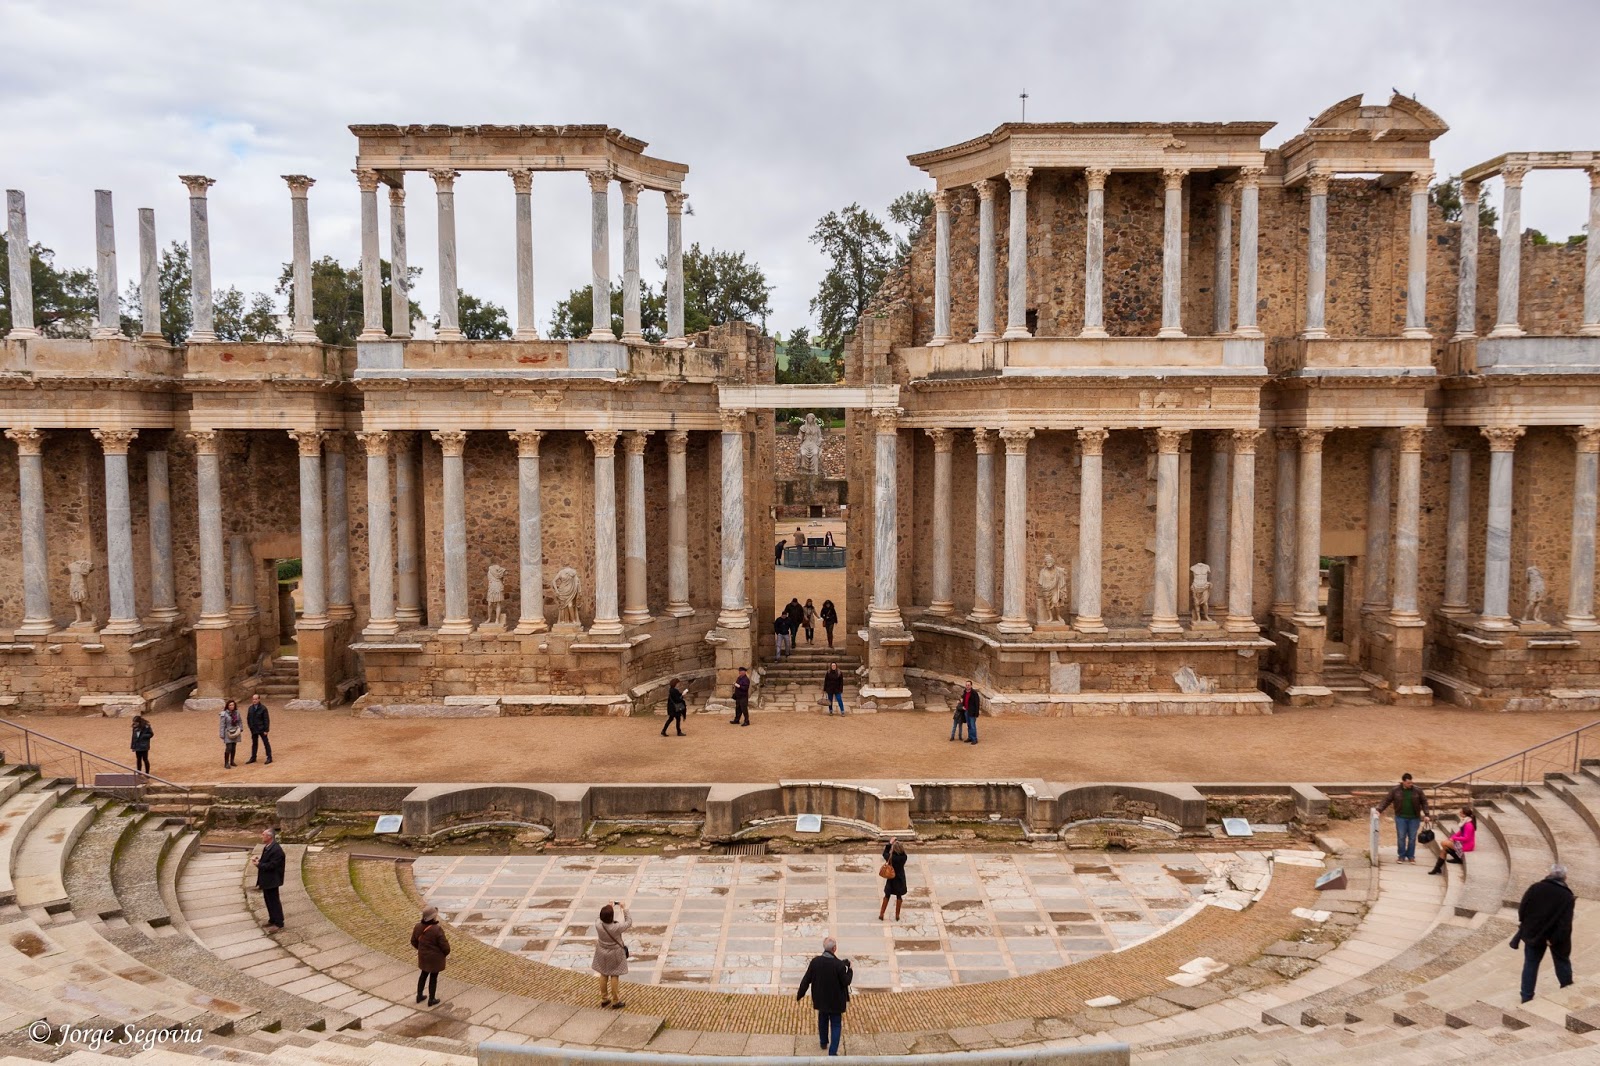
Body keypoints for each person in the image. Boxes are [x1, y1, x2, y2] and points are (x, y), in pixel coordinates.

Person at [1515, 863, 1575, 1003]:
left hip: (1533, 934)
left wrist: (1528, 927)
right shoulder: (1566, 896)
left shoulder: (1535, 888)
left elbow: (1522, 909)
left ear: (1549, 874)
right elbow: (1565, 923)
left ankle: (1526, 995)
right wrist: (1553, 939)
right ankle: (1567, 989)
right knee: (1562, 962)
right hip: (1556, 937)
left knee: (1531, 964)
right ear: (1565, 878)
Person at [796, 936, 852, 1056]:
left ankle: (823, 1042)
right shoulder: (839, 965)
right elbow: (846, 981)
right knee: (836, 1025)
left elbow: (806, 979)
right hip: (836, 1002)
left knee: (822, 1020)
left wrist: (800, 994)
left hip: (821, 1000)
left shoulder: (815, 962)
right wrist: (849, 970)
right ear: (835, 948)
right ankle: (832, 1052)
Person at [1374, 772, 1429, 864]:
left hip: (1414, 818)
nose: (1410, 784)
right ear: (1403, 782)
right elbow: (1387, 800)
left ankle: (1411, 856)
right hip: (1401, 818)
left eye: (1411, 782)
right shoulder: (1395, 790)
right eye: (1408, 783)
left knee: (1412, 838)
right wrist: (1379, 810)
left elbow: (1424, 802)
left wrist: (1426, 814)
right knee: (1401, 837)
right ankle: (1401, 856)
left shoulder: (1418, 790)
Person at [591, 902, 632, 1009]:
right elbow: (628, 922)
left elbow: (599, 917)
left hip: (601, 951)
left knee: (603, 974)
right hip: (615, 953)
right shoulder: (616, 927)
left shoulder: (598, 924)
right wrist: (624, 908)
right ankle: (615, 1001)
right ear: (611, 917)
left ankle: (604, 999)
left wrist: (609, 906)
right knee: (614, 975)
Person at [411, 904, 450, 1006]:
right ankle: (431, 999)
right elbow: (445, 946)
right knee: (433, 978)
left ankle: (419, 996)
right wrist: (444, 954)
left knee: (423, 975)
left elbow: (413, 941)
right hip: (435, 959)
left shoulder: (418, 926)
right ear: (433, 917)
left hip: (423, 957)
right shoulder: (437, 929)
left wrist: (421, 949)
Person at [252, 828, 285, 932]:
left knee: (274, 901)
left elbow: (273, 865)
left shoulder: (276, 850)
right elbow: (267, 861)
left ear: (269, 837)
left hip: (273, 879)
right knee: (268, 900)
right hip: (267, 879)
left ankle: (279, 922)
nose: (262, 836)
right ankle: (272, 919)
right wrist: (259, 861)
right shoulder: (268, 847)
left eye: (263, 835)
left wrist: (259, 864)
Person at [1428, 807, 1477, 875]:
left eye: (1460, 812)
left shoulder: (1468, 825)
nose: (1459, 813)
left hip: (1466, 845)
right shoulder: (1466, 822)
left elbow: (1466, 838)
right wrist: (1452, 837)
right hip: (1463, 843)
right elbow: (1460, 832)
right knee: (1444, 850)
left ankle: (1457, 858)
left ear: (1464, 815)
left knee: (1443, 843)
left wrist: (1454, 838)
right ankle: (1437, 869)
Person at [879, 838, 908, 921]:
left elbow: (884, 853)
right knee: (899, 896)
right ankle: (897, 915)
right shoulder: (904, 857)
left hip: (891, 878)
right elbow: (903, 853)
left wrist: (889, 844)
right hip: (900, 878)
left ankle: (881, 914)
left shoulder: (891, 857)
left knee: (887, 895)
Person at [246, 693, 272, 765]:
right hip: (254, 729)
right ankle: (253, 757)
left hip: (261, 728)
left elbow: (266, 720)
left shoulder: (263, 708)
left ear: (259, 699)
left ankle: (269, 757)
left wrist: (266, 730)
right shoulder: (250, 708)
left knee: (266, 743)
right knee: (254, 743)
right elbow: (248, 718)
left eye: (256, 699)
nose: (254, 700)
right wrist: (250, 727)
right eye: (253, 699)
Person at [219, 700, 243, 769]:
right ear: (227, 706)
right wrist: (221, 734)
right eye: (230, 705)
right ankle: (226, 763)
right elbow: (222, 724)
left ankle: (232, 761)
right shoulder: (224, 714)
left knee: (233, 747)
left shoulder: (237, 712)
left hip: (235, 730)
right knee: (228, 747)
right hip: (228, 732)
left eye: (232, 705)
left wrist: (241, 728)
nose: (231, 706)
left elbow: (239, 721)